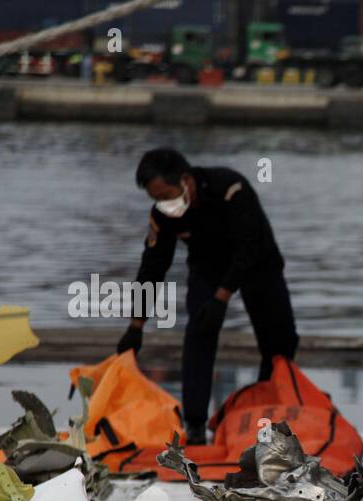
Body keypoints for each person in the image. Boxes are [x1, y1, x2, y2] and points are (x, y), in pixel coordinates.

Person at [118, 148, 299, 445]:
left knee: (280, 341)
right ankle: (196, 424)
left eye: (167, 194)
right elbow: (152, 266)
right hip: (207, 265)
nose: (164, 204)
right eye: (156, 199)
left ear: (186, 180)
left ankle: (270, 416)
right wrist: (135, 326)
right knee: (199, 333)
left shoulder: (230, 188)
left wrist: (222, 297)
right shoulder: (163, 215)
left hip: (257, 261)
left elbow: (249, 248)